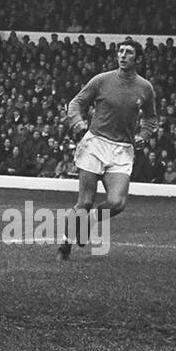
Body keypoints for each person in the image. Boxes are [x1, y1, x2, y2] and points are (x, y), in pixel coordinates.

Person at [59, 40, 156, 260]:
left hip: (122, 149)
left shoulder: (145, 88)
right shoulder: (102, 80)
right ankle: (65, 243)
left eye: (128, 52)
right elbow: (76, 103)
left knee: (117, 203)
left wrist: (144, 135)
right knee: (84, 201)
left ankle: (88, 224)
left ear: (137, 59)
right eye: (120, 51)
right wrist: (78, 123)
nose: (122, 55)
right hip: (95, 144)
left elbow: (151, 118)